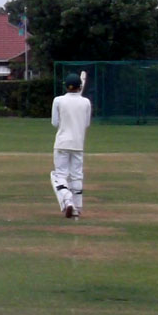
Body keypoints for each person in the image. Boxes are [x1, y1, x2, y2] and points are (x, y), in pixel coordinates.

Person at [50, 73, 92, 219]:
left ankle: (67, 201)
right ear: (80, 87)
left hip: (62, 142)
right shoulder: (86, 102)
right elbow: (86, 124)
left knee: (59, 175)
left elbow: (55, 123)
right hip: (78, 143)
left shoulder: (58, 100)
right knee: (76, 175)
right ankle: (78, 206)